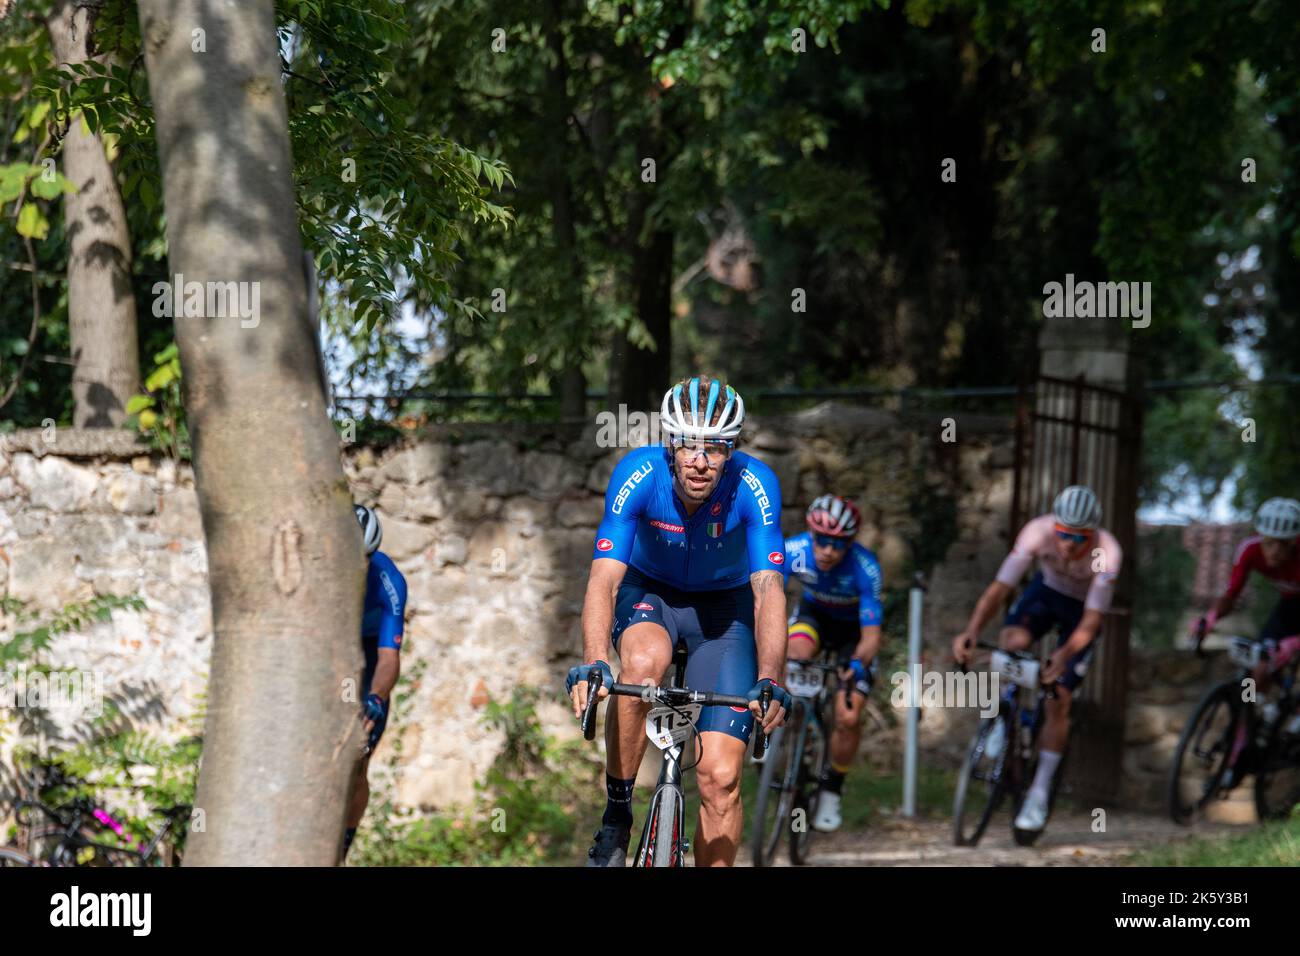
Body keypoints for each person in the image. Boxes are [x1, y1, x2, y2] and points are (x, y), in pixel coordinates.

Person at [566, 375, 791, 867]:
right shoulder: (637, 474)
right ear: (670, 442)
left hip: (724, 612)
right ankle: (617, 815)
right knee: (643, 665)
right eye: (688, 444)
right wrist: (594, 661)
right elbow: (603, 579)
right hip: (652, 593)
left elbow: (769, 588)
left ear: (731, 450)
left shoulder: (756, 485)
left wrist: (771, 677)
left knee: (720, 780)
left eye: (716, 446)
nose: (700, 460)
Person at [951, 485, 1122, 837]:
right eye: (1063, 534)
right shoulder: (1036, 532)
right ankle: (1000, 716)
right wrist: (970, 629)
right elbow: (999, 589)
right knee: (1010, 642)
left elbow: (1091, 621)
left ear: (1093, 533)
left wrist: (1062, 656)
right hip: (1046, 593)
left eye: (1080, 537)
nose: (1070, 544)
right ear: (1054, 526)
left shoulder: (1108, 552)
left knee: (1058, 697)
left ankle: (1040, 792)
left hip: (1082, 611)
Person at [783, 494, 884, 831]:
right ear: (811, 535)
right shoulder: (793, 550)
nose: (828, 550)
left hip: (852, 633)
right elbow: (767, 598)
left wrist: (857, 665)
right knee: (794, 657)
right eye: (821, 541)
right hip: (814, 618)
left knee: (848, 715)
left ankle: (832, 791)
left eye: (837, 544)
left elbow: (871, 637)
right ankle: (786, 730)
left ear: (850, 543)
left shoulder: (864, 567)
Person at [1195, 497, 1300, 786]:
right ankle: (1251, 729)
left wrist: (1293, 645)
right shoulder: (1250, 551)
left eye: (1283, 544)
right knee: (1259, 666)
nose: (1274, 551)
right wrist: (1211, 618)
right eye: (1269, 542)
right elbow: (1231, 593)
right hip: (1290, 608)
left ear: (1294, 542)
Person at [342, 503, 407, 863]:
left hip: (369, 656)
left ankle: (342, 846)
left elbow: (388, 657)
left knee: (358, 760)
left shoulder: (388, 580)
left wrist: (376, 699)